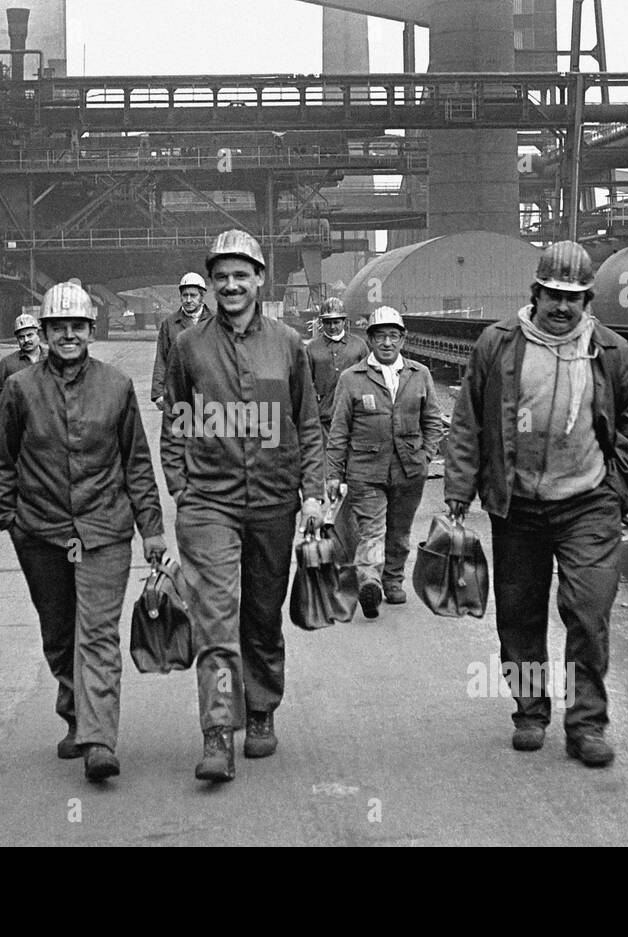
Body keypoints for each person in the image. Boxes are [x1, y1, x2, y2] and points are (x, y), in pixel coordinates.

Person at [444, 241, 628, 768]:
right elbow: (468, 420)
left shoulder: (609, 351)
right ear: (534, 293)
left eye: (573, 298)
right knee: (520, 615)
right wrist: (458, 492)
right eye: (553, 295)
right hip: (518, 507)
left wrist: (618, 487)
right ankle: (531, 712)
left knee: (587, 612)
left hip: (587, 504)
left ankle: (586, 724)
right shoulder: (499, 345)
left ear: (588, 301)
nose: (562, 307)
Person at [161, 229, 324, 782]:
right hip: (209, 502)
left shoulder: (288, 344)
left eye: (241, 275)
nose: (231, 285)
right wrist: (182, 488)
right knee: (215, 617)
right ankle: (216, 731)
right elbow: (176, 420)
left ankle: (260, 711)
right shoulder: (189, 347)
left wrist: (315, 494)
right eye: (221, 276)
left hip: (275, 501)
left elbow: (308, 423)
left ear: (259, 280)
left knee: (261, 615)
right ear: (211, 283)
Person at [0, 281, 165, 782]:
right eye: (58, 327)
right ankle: (74, 709)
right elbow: (1, 459)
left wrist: (151, 526)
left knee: (98, 634)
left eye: (77, 327)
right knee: (59, 631)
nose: (68, 335)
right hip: (41, 533)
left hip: (105, 530)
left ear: (91, 330)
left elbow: (136, 462)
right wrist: (10, 518)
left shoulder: (116, 386)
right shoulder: (22, 389)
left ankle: (99, 739)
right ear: (43, 333)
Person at [326, 306, 445, 618]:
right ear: (371, 340)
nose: (388, 343)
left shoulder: (420, 375)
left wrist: (425, 455)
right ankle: (370, 580)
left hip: (409, 469)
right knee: (371, 530)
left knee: (400, 531)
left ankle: (393, 580)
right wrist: (333, 473)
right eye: (381, 336)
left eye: (394, 336)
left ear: (403, 339)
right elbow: (339, 430)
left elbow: (433, 422)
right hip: (366, 470)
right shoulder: (352, 379)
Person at [306, 296, 370, 446]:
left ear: (344, 321)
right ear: (322, 322)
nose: (332, 327)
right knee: (328, 461)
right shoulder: (312, 348)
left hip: (355, 416)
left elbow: (370, 379)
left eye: (336, 322)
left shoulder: (359, 346)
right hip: (324, 418)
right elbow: (305, 384)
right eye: (328, 323)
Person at [151, 272, 212, 412]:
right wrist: (158, 393)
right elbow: (161, 358)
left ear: (202, 297)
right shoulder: (169, 324)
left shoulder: (216, 321)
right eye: (185, 295)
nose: (188, 300)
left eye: (193, 295)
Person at [0, 312, 44, 407]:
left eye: (29, 335)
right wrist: (11, 413)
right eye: (21, 337)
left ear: (38, 334)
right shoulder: (7, 363)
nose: (26, 340)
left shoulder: (53, 359)